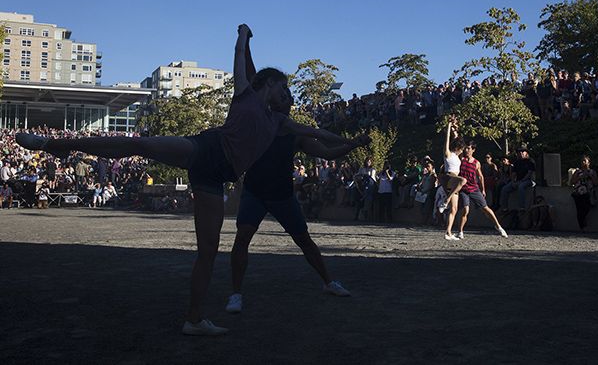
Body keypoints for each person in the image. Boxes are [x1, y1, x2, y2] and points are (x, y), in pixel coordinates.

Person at [15, 24, 357, 336]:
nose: (288, 95)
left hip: (216, 178)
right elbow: (241, 60)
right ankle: (55, 145)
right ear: (267, 86)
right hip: (202, 150)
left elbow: (317, 132)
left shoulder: (281, 124)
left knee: (208, 251)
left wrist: (351, 143)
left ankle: (193, 319)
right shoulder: (246, 96)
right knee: (141, 144)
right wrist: (243, 36)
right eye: (283, 88)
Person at [226, 95, 369, 314]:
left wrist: (352, 145)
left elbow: (327, 152)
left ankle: (328, 282)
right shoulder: (257, 126)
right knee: (243, 236)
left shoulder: (295, 134)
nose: (281, 102)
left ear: (289, 105)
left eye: (285, 98)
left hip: (282, 194)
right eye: (278, 97)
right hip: (254, 191)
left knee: (303, 239)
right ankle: (236, 294)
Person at [454, 141, 508, 239]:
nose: (466, 150)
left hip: (474, 188)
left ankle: (499, 226)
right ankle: (460, 231)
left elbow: (481, 177)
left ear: (473, 150)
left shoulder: (476, 163)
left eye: (469, 148)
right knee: (465, 209)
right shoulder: (461, 159)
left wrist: (482, 190)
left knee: (485, 208)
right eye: (466, 148)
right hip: (463, 188)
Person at [440, 117, 467, 241]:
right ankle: (446, 200)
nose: (462, 150)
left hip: (454, 183)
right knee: (463, 180)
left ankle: (448, 232)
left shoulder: (457, 156)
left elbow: (457, 139)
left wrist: (456, 128)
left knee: (454, 209)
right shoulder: (448, 154)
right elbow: (447, 140)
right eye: (460, 148)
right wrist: (449, 126)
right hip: (449, 177)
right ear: (456, 148)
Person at [499, 147, 536, 212]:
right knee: (505, 189)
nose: (520, 153)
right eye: (519, 152)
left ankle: (522, 207)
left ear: (526, 153)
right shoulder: (517, 162)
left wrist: (522, 181)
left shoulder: (530, 161)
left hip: (529, 180)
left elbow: (529, 173)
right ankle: (504, 208)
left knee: (521, 187)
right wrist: (513, 181)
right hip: (518, 180)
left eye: (522, 152)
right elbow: (513, 173)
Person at [570, 155, 598, 230]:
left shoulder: (592, 172)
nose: (583, 163)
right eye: (582, 161)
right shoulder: (577, 171)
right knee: (579, 209)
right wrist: (579, 177)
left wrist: (590, 176)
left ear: (588, 162)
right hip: (578, 192)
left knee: (586, 208)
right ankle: (582, 227)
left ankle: (583, 222)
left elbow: (596, 183)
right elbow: (572, 182)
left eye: (584, 161)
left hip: (588, 192)